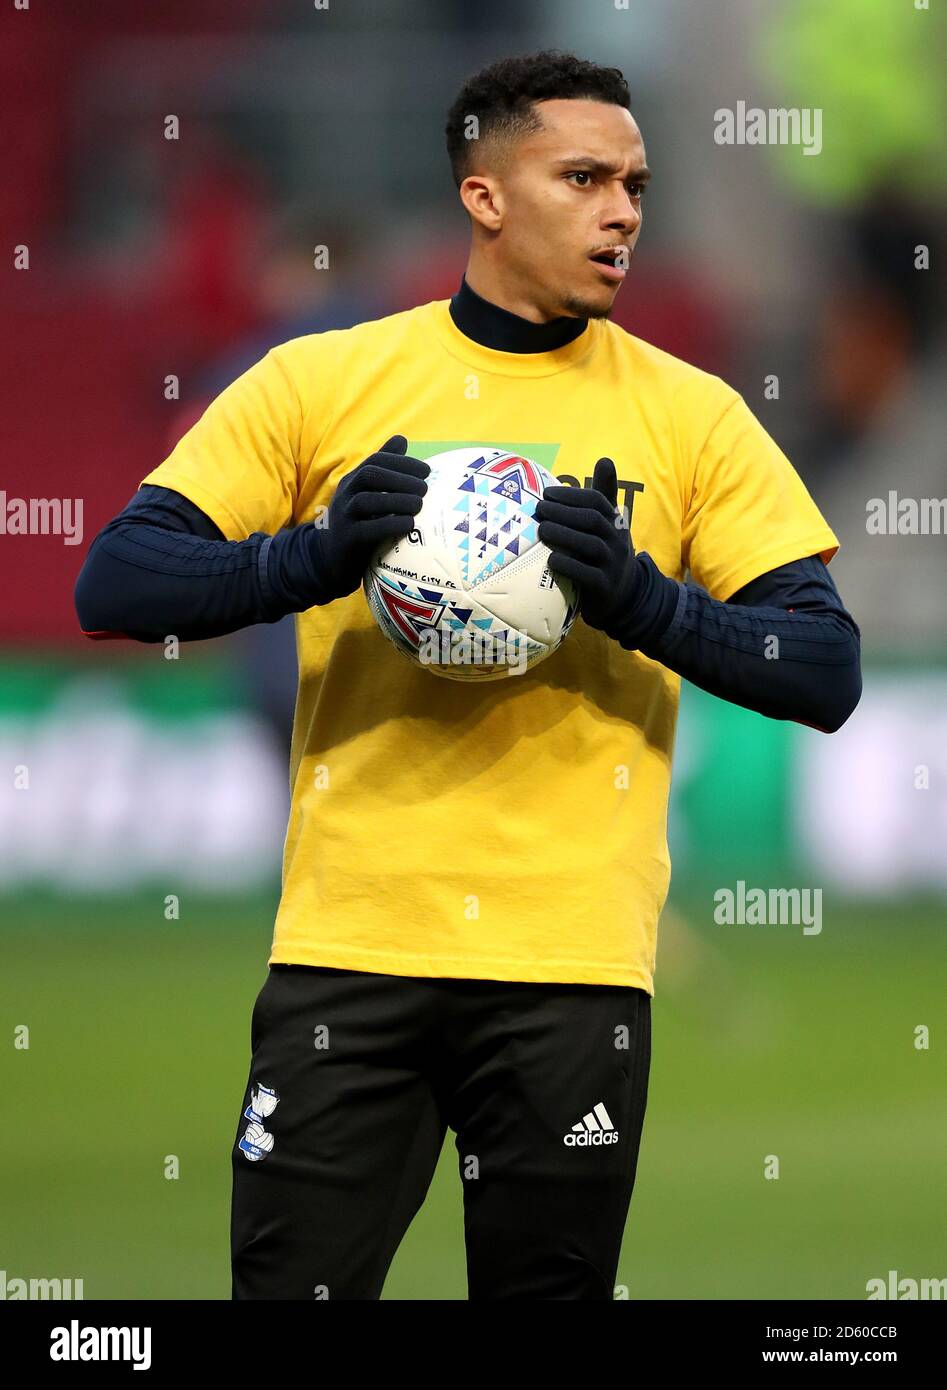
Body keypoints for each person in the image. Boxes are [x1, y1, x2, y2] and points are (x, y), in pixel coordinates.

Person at [74, 50, 861, 1301]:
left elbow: (822, 669)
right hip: (350, 959)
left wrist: (641, 600)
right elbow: (117, 583)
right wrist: (317, 557)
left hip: (571, 977)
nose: (622, 212)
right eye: (584, 177)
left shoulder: (694, 414)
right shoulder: (322, 381)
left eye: (637, 185)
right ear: (484, 197)